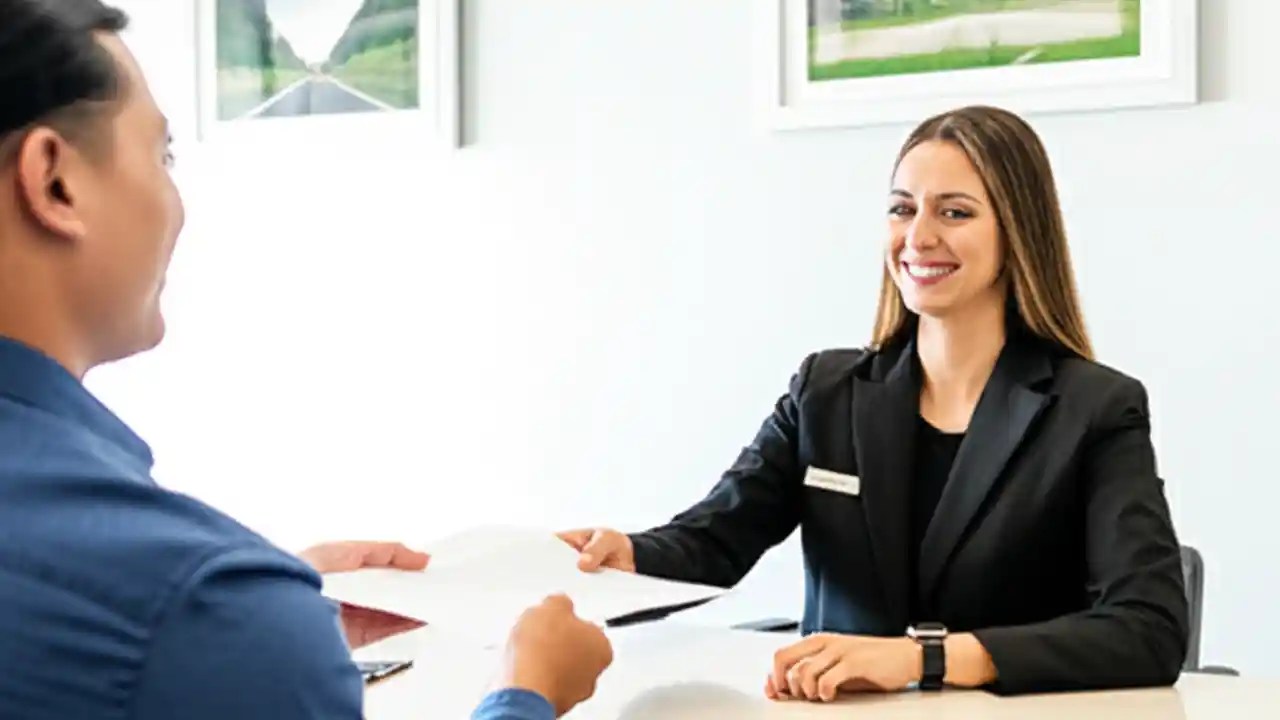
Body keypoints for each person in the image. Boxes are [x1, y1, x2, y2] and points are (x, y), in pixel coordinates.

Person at [0, 2, 611, 719]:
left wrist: (276, 606)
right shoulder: (208, 607)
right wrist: (528, 691)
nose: (177, 202)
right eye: (163, 155)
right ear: (55, 182)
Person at [559, 104, 1189, 700]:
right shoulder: (825, 392)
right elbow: (713, 541)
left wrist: (924, 657)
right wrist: (628, 555)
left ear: (1017, 231)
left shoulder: (1095, 408)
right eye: (901, 209)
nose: (918, 236)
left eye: (955, 213)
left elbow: (1148, 629)